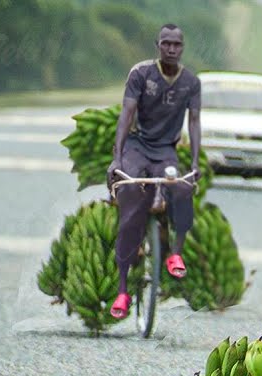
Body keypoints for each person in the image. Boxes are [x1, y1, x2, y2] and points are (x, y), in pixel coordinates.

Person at [107, 24, 202, 319]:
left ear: (182, 47)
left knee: (182, 189)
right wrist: (117, 158)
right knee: (131, 197)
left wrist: (195, 163)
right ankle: (123, 290)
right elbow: (127, 114)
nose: (171, 49)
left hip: (165, 151)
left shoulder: (191, 82)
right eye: (166, 43)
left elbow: (194, 122)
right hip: (136, 147)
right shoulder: (141, 74)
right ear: (157, 45)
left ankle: (175, 252)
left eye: (176, 44)